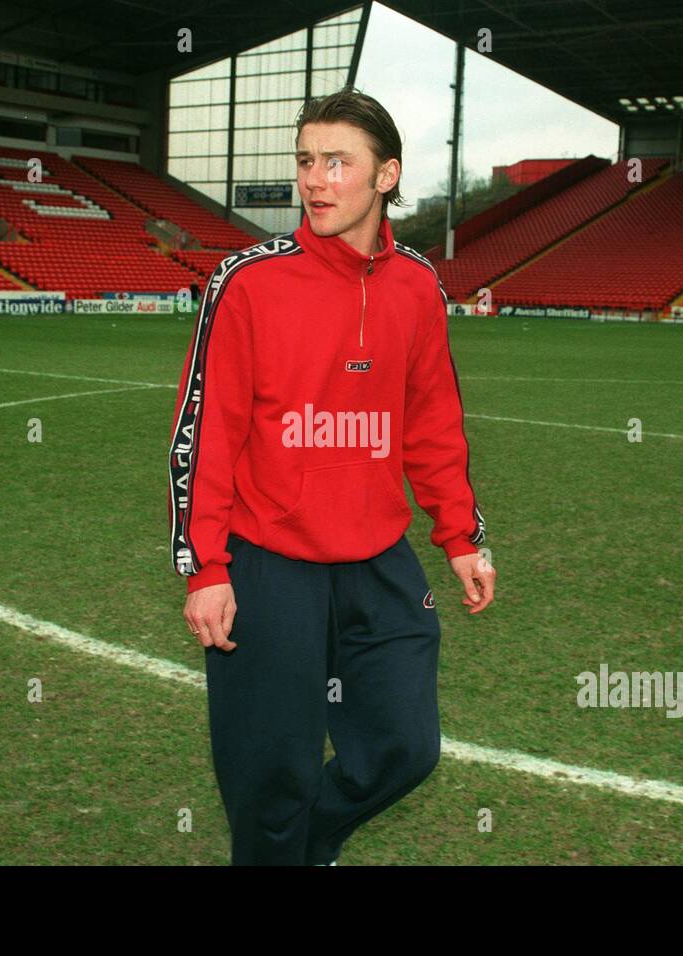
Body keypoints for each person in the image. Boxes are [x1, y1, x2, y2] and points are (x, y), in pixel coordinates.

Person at [166, 87, 496, 866]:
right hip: (269, 561)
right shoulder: (248, 281)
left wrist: (459, 536)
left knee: (405, 748)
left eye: (337, 163)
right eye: (307, 161)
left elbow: (433, 423)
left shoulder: (417, 285)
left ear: (386, 176)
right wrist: (206, 567)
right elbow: (206, 434)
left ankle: (308, 842)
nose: (315, 181)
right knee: (268, 770)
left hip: (378, 560)